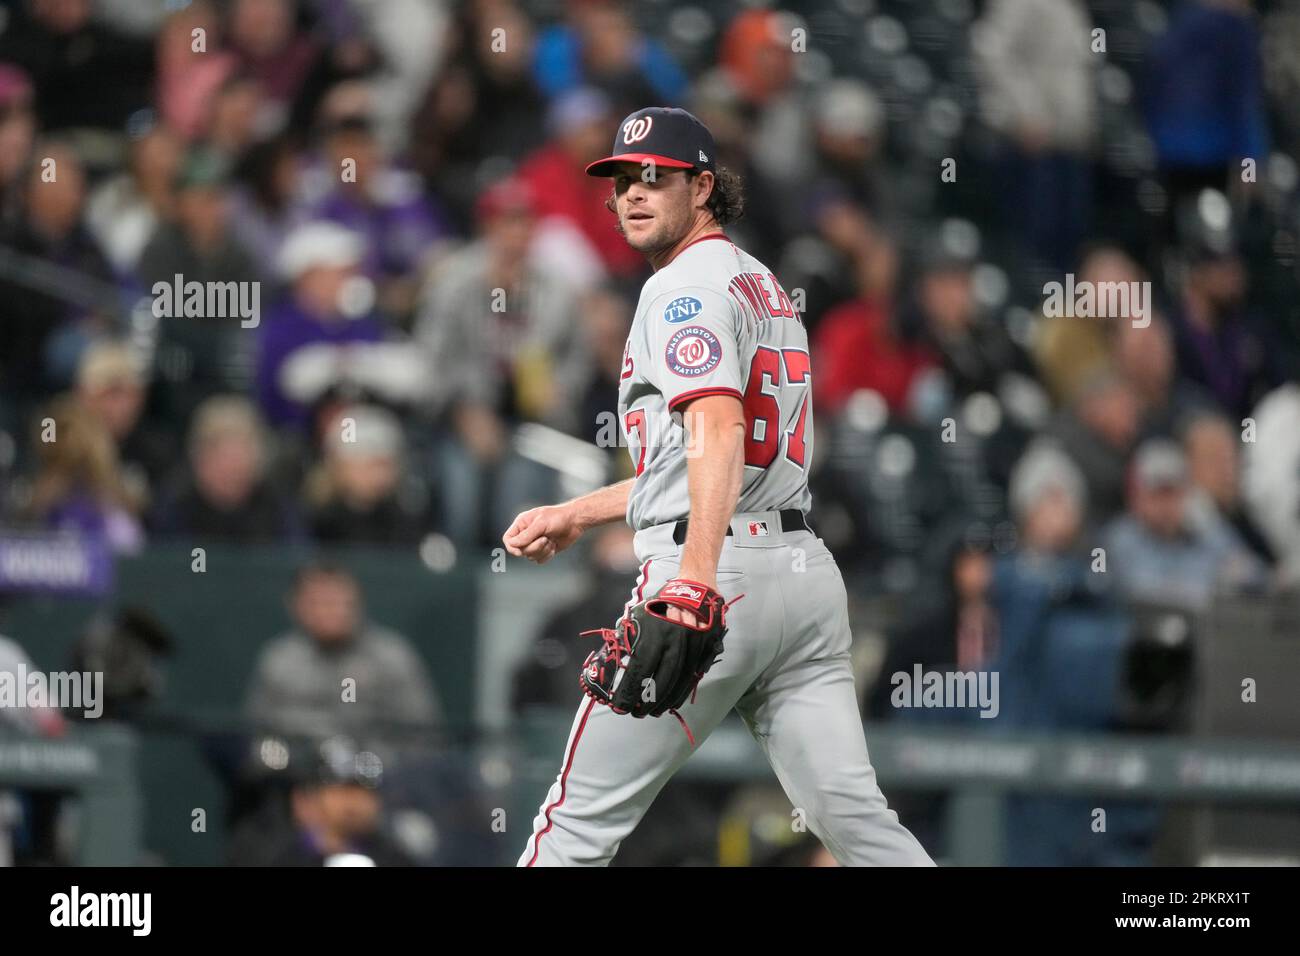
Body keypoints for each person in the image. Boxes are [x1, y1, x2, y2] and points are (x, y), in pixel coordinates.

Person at [502, 107, 933, 867]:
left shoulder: (680, 289)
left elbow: (718, 430)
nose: (633, 193)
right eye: (623, 180)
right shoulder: (758, 283)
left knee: (572, 828)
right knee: (861, 827)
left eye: (656, 178)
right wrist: (584, 511)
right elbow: (703, 455)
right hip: (801, 577)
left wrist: (693, 583)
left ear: (703, 186)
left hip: (715, 573)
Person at [244, 561, 442, 747]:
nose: (330, 611)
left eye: (339, 601)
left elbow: (423, 735)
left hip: (380, 775)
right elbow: (256, 735)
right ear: (297, 605)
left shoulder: (391, 657)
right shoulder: (279, 661)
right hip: (298, 775)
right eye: (319, 602)